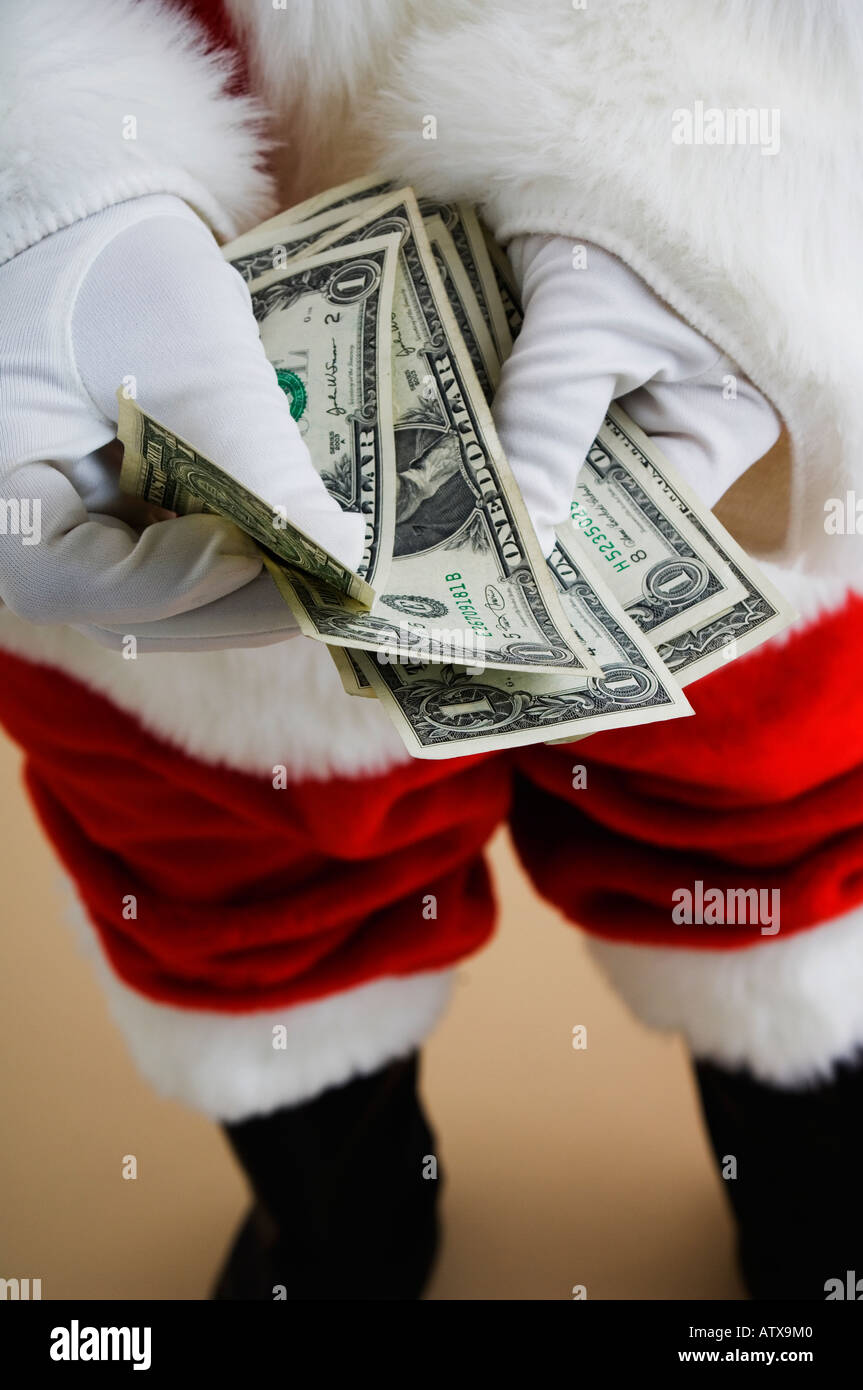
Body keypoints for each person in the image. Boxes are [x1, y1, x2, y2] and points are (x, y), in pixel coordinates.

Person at [1, 0, 861, 1301]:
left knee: (783, 843)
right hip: (138, 470)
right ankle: (350, 1247)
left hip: (730, 427)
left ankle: (817, 1232)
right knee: (234, 900)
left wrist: (747, 170)